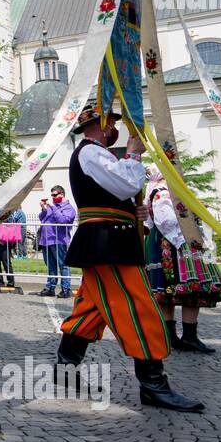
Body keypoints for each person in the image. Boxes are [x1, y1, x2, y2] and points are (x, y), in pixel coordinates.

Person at [53, 106, 203, 412]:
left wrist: (132, 211)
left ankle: (64, 368)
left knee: (90, 309)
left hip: (109, 240)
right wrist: (133, 154)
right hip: (108, 242)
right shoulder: (91, 153)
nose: (116, 130)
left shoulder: (99, 154)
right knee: (139, 306)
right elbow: (128, 184)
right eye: (113, 124)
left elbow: (118, 192)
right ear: (102, 125)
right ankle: (153, 384)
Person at [144, 179, 221, 353]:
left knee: (184, 289)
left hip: (175, 241)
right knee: (177, 289)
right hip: (175, 243)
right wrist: (194, 212)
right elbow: (167, 221)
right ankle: (176, 337)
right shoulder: (163, 191)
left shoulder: (161, 191)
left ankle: (182, 337)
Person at [37, 185, 75, 298]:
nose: (52, 197)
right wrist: (44, 209)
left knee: (63, 265)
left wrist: (52, 208)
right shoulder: (52, 207)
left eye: (55, 195)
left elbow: (63, 220)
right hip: (46, 240)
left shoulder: (68, 208)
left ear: (62, 195)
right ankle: (50, 288)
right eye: (52, 195)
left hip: (59, 240)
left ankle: (66, 289)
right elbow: (42, 218)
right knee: (50, 266)